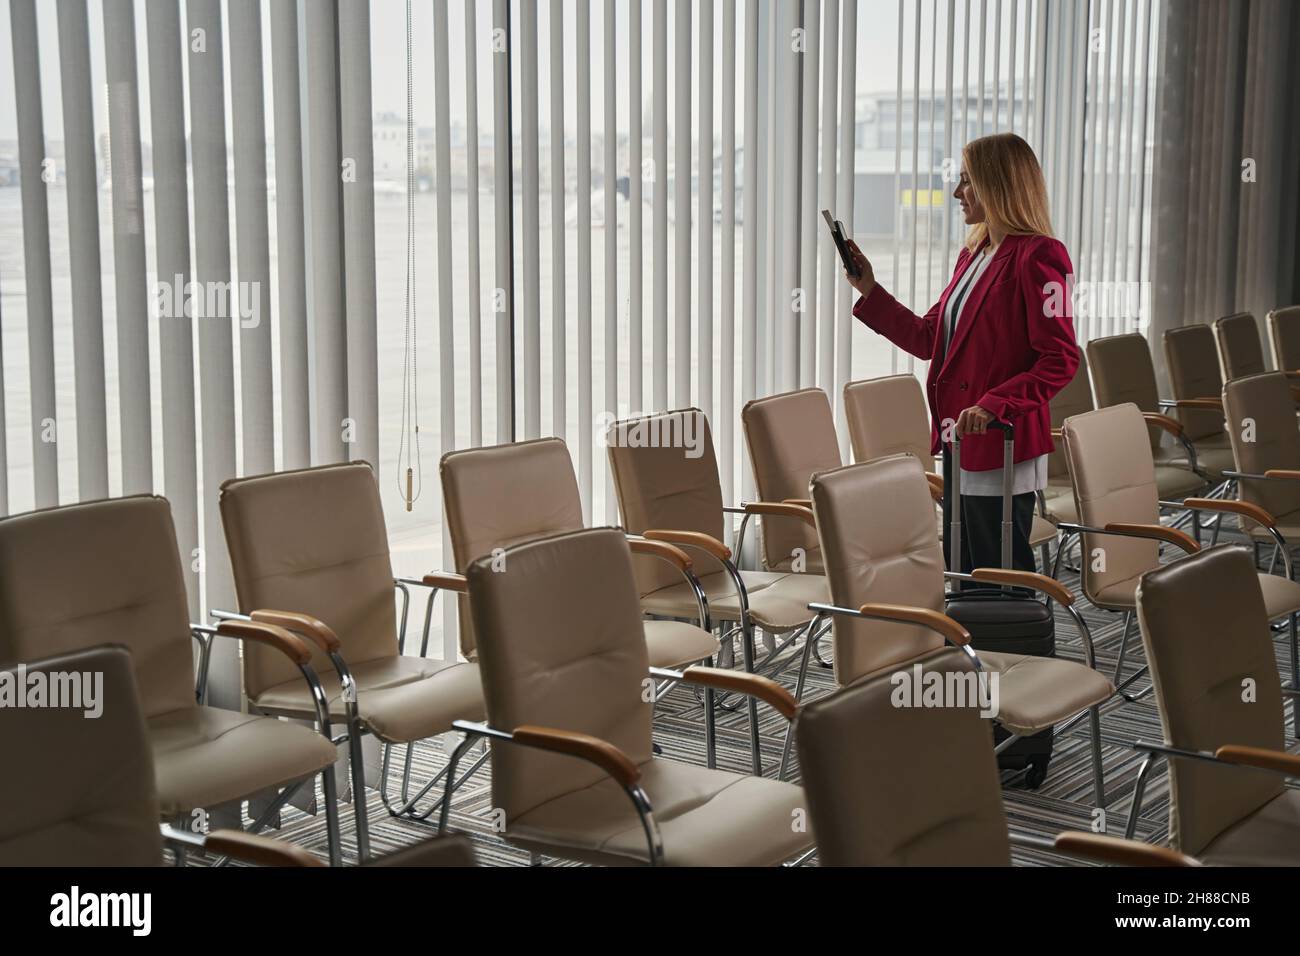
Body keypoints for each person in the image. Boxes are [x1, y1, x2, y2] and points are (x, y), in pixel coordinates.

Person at [841, 132, 1078, 575]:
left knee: (998, 571)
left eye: (967, 181)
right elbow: (928, 339)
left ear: (997, 184)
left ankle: (1015, 647)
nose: (956, 192)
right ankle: (974, 645)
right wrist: (869, 289)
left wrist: (994, 405)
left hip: (999, 441)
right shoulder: (974, 255)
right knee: (966, 568)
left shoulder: (1040, 255)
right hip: (961, 440)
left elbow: (1060, 359)